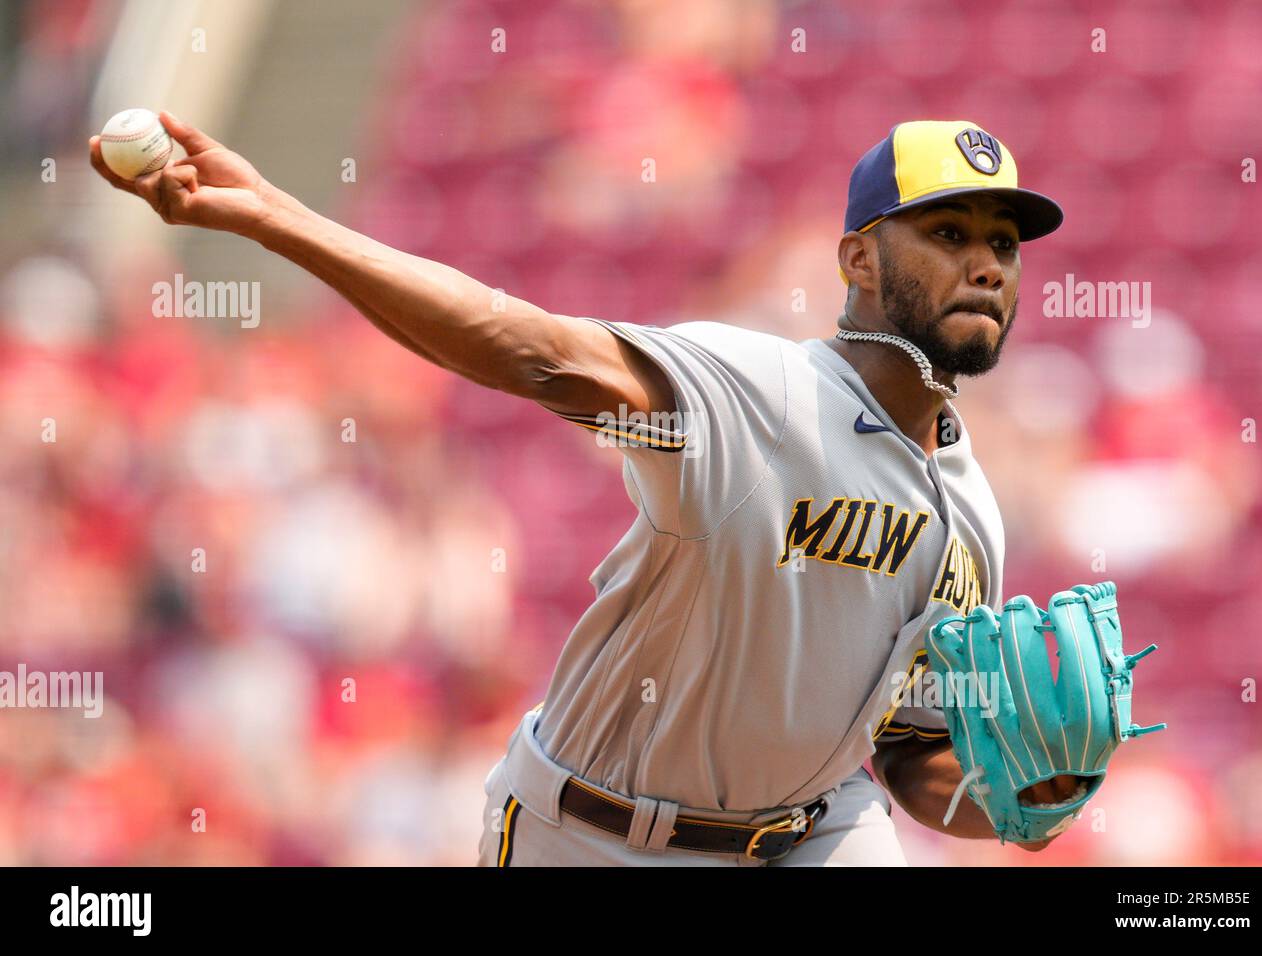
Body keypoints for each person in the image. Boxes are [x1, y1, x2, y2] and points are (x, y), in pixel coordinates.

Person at [91, 116, 1078, 866]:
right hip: (593, 833)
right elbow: (529, 347)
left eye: (1003, 242)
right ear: (858, 258)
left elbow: (909, 753)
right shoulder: (761, 395)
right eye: (948, 230)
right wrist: (279, 220)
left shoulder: (972, 510)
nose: (986, 263)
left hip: (807, 836)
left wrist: (1016, 797)